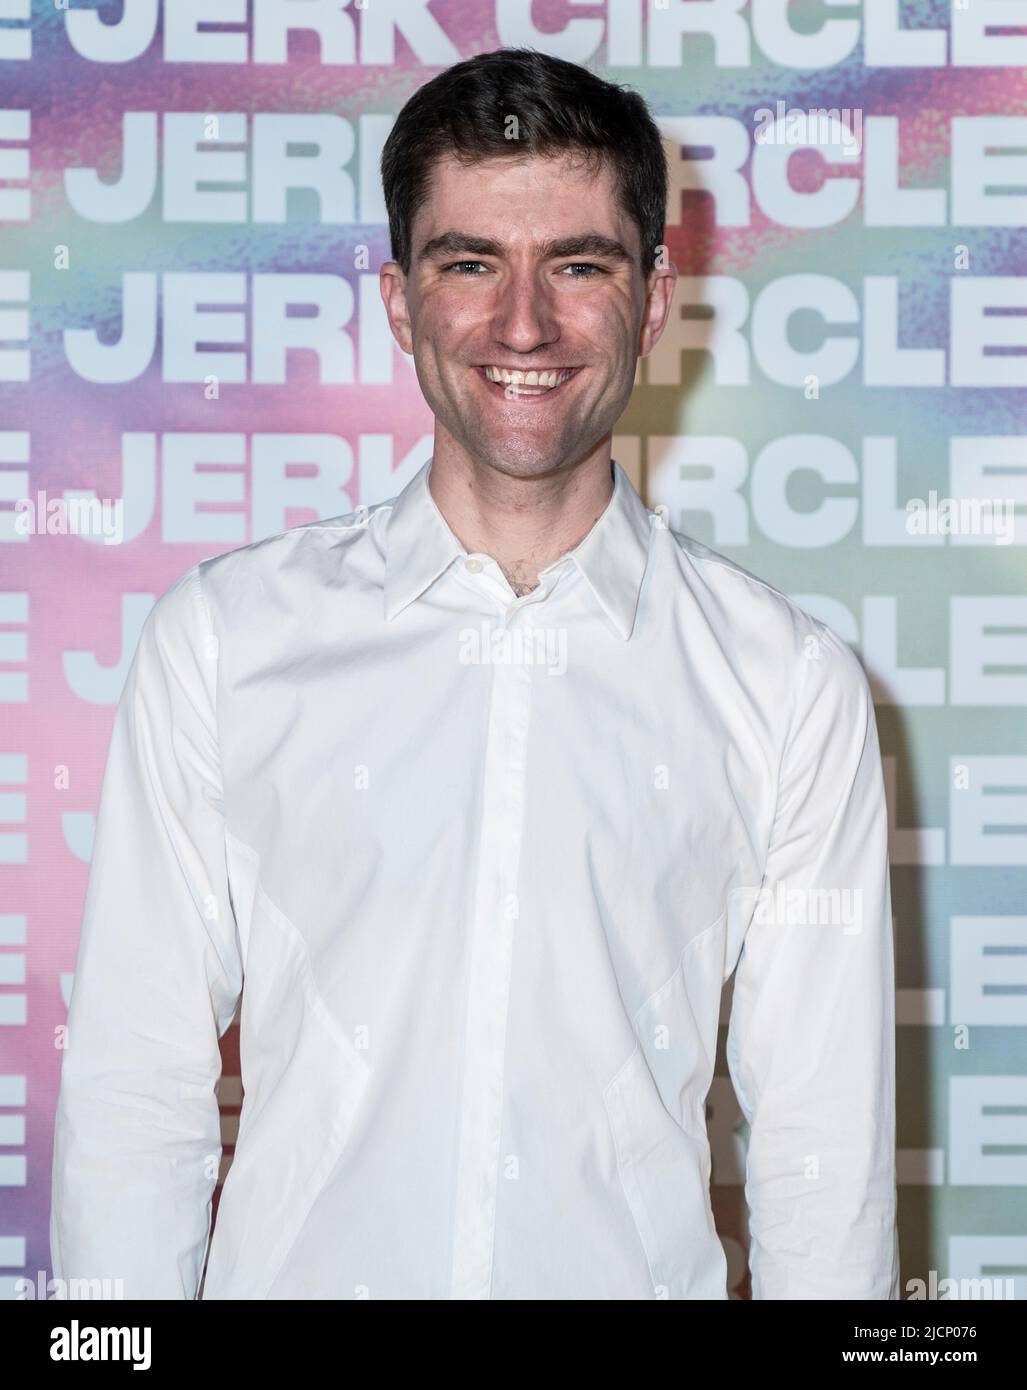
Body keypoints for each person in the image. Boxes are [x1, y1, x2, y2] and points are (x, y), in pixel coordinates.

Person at [50, 47, 900, 1301]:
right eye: (468, 265)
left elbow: (825, 1162)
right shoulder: (225, 643)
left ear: (654, 298)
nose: (522, 324)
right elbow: (136, 1088)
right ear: (399, 300)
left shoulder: (787, 687)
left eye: (577, 264)